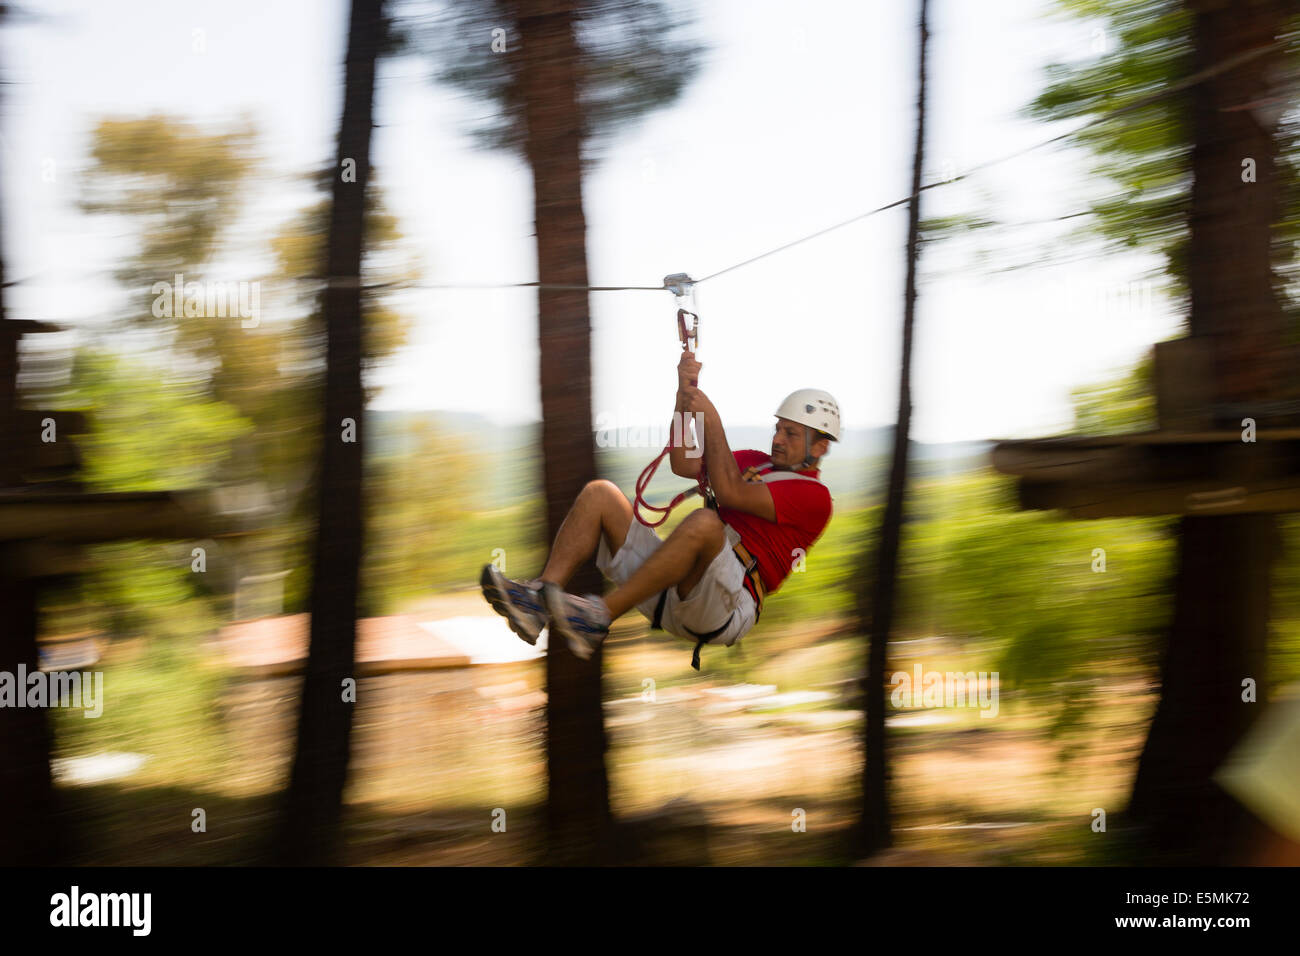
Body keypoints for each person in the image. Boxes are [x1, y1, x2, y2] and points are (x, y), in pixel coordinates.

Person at [480, 348, 838, 669]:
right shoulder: (756, 463)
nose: (777, 438)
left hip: (724, 606)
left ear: (819, 448)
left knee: (705, 522)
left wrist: (709, 416)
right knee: (600, 494)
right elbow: (683, 463)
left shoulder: (815, 499)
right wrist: (683, 397)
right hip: (674, 585)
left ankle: (598, 616)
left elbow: (728, 493)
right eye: (779, 429)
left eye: (791, 434)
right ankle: (538, 600)